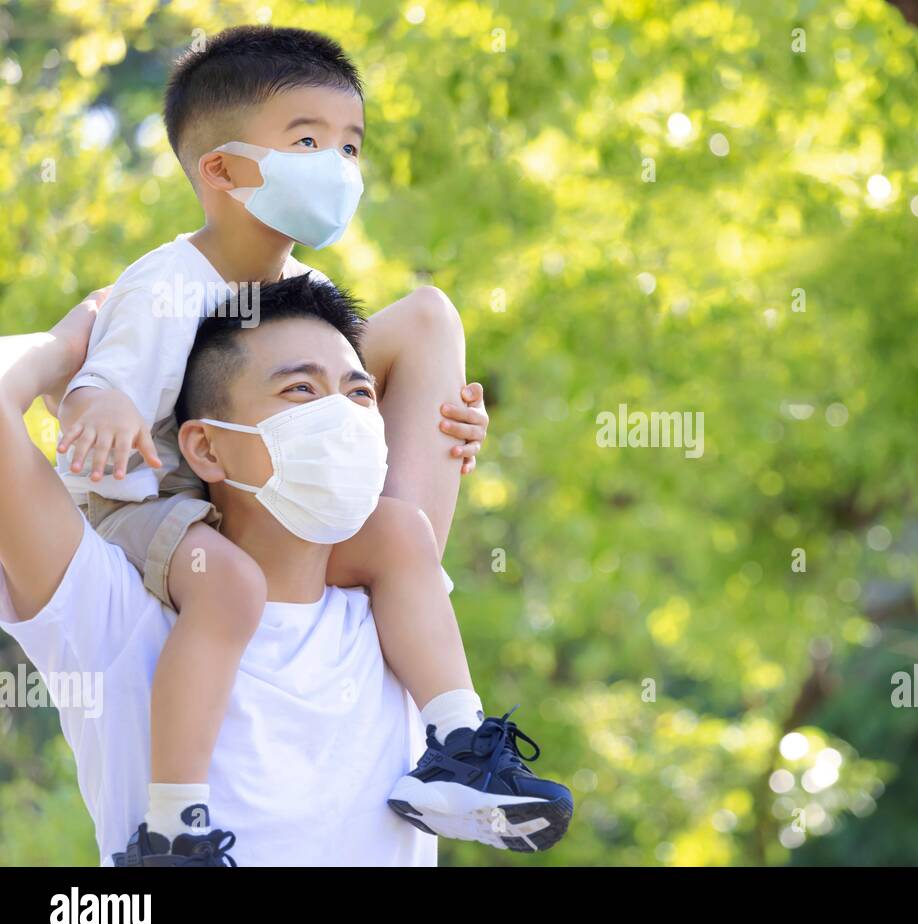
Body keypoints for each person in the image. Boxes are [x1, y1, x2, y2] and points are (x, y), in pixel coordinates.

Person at [25, 26, 570, 865]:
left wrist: (451, 421)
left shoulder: (309, 297)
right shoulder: (165, 287)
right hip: (149, 508)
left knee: (400, 533)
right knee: (232, 587)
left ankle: (458, 747)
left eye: (350, 144)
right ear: (222, 170)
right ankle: (174, 828)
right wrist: (87, 390)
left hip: (253, 488)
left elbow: (376, 371)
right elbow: (103, 383)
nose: (339, 165)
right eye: (308, 141)